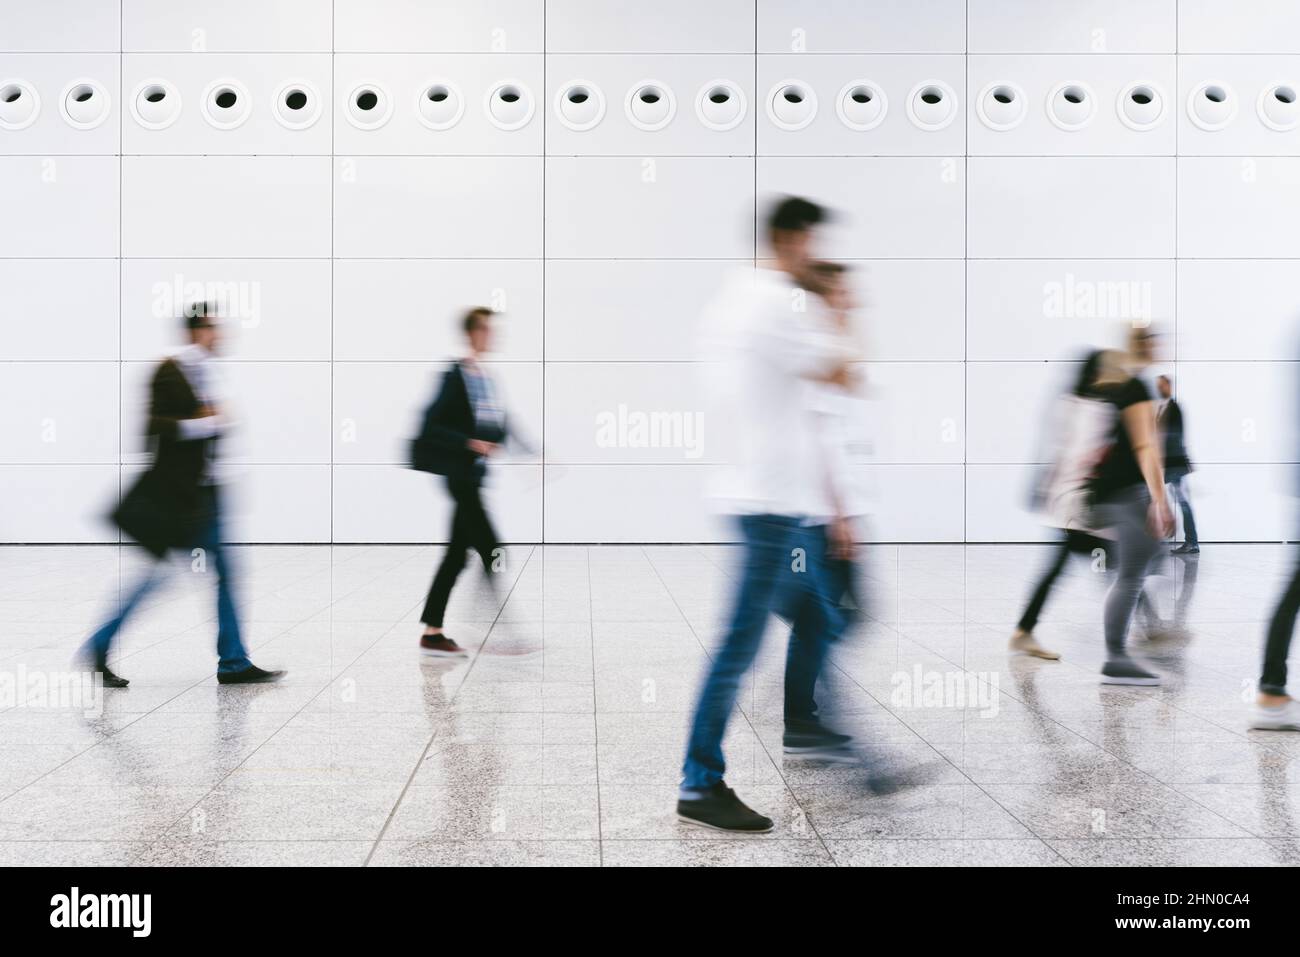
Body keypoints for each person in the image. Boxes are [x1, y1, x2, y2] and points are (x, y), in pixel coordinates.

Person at [678, 197, 854, 833]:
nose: (813, 257)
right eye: (810, 244)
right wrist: (840, 312)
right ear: (791, 239)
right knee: (739, 644)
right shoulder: (775, 301)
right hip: (768, 506)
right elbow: (843, 372)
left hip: (770, 503)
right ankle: (700, 783)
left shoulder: (735, 299)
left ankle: (826, 739)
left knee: (814, 616)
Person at [79, 303, 285, 688]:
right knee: (159, 578)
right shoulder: (169, 370)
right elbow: (152, 428)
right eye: (212, 328)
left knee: (224, 573)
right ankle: (99, 644)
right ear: (195, 331)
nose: (219, 335)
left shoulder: (210, 372)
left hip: (209, 495)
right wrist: (206, 422)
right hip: (182, 500)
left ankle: (234, 662)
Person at [412, 307, 518, 657]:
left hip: (473, 477)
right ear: (471, 333)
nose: (492, 336)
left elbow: (499, 425)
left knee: (457, 556)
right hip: (460, 478)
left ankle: (432, 632)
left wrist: (532, 452)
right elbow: (431, 425)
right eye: (486, 329)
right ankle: (492, 631)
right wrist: (470, 443)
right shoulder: (455, 375)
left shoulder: (485, 378)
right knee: (493, 550)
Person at [1010, 349, 1120, 660]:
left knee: (1097, 564)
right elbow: (1062, 450)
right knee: (1112, 564)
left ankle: (1024, 630)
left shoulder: (1092, 405)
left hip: (1079, 501)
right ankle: (1145, 628)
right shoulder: (1083, 406)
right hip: (1075, 502)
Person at [1088, 328, 1173, 685]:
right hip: (1125, 491)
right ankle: (1116, 659)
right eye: (1153, 341)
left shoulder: (1115, 384)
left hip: (1109, 491)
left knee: (1137, 564)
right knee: (1131, 574)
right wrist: (1160, 498)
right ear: (1143, 346)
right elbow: (1145, 446)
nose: (1160, 346)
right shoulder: (1137, 387)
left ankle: (1127, 645)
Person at [1156, 375, 1199, 554]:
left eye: (1162, 385)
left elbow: (1174, 437)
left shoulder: (1174, 408)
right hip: (1169, 465)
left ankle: (1192, 542)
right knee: (1179, 501)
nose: (1159, 388)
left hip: (1173, 465)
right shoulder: (1162, 408)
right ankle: (1190, 542)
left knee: (1182, 502)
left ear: (1168, 386)